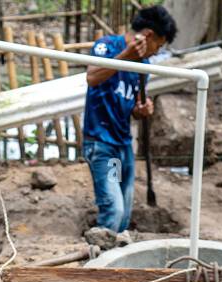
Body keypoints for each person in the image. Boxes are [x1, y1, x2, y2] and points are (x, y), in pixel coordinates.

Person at [82, 4, 178, 236]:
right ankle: (97, 262)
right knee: (113, 210)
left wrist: (141, 110)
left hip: (124, 145)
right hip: (103, 143)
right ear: (148, 35)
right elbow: (92, 77)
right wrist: (127, 56)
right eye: (159, 45)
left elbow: (134, 105)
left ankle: (113, 261)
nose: (156, 51)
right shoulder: (107, 46)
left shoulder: (143, 66)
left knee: (124, 214)